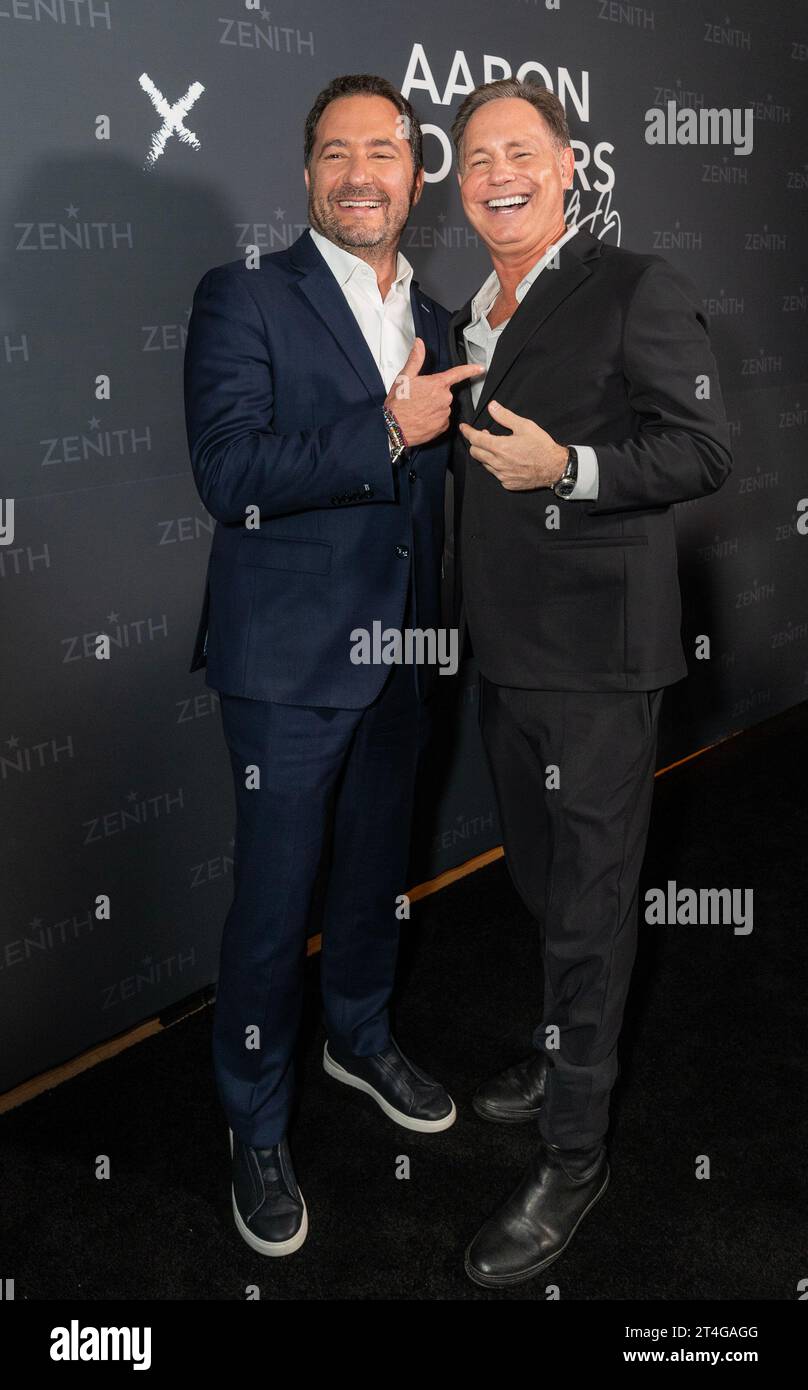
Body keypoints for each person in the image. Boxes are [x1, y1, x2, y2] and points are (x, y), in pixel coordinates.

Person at [183, 73, 483, 1258]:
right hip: (289, 666)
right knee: (272, 909)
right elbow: (228, 472)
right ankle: (251, 1120)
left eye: (384, 152)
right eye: (335, 152)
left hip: (403, 651)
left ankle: (358, 1036)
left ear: (417, 176)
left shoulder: (444, 315)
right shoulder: (242, 296)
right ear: (308, 173)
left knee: (375, 877)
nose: (361, 173)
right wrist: (384, 429)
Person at [447, 78, 733, 1288]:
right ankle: (563, 1044)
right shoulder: (473, 306)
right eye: (472, 159)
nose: (494, 172)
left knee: (591, 908)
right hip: (506, 655)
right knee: (539, 878)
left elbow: (705, 446)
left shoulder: (634, 285)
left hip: (600, 671)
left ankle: (576, 1157)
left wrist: (572, 466)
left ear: (569, 166)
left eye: (518, 150)